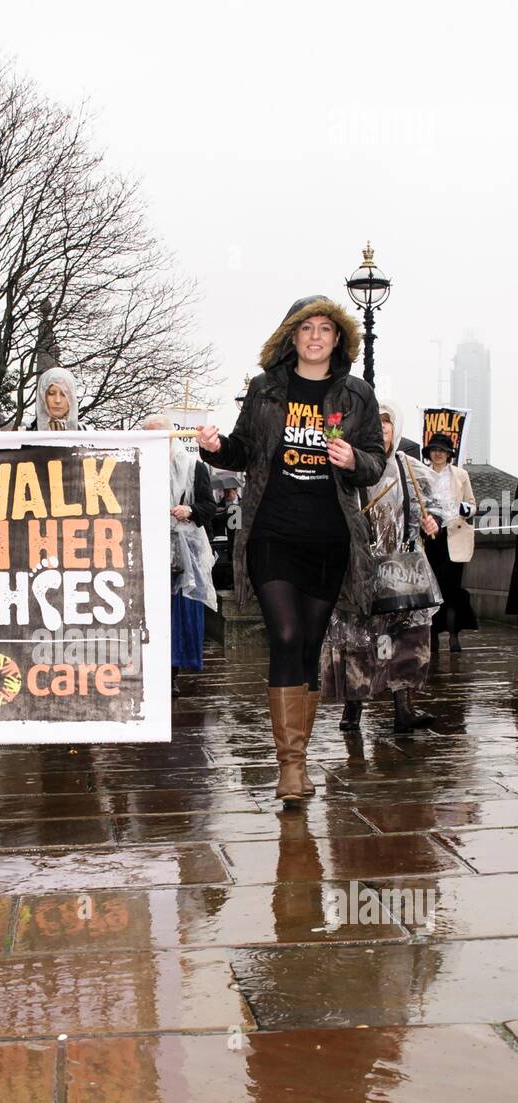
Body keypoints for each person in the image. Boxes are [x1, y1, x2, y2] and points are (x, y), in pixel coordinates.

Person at [197, 295, 386, 801]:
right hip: (272, 531)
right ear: (292, 337)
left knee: (308, 643)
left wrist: (353, 460)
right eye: (307, 328)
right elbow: (243, 451)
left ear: (338, 339)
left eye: (326, 328)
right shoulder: (265, 390)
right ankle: (290, 767)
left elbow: (376, 461)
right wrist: (214, 447)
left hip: (328, 538)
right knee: (284, 634)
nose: (317, 336)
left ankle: (299, 760)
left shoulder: (357, 395)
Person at [321, 402, 442, 734]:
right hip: (361, 568)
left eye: (388, 424)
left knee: (405, 638)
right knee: (358, 637)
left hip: (402, 568)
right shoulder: (350, 466)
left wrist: (432, 521)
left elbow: (429, 507)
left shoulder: (408, 467)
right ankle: (353, 708)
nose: (383, 429)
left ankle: (404, 709)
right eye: (377, 424)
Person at [143, 414, 217, 695]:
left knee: (179, 611)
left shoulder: (194, 467)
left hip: (185, 553)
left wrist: (190, 511)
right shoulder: (140, 466)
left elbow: (209, 507)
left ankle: (172, 671)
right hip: (150, 547)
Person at [422, 431, 477, 652]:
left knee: (452, 590)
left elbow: (472, 503)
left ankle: (454, 635)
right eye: (434, 450)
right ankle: (433, 636)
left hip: (455, 538)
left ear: (449, 454)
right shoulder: (423, 475)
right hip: (431, 538)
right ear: (429, 453)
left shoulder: (461, 475)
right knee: (433, 590)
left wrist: (466, 509)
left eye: (442, 450)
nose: (438, 454)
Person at [30, 366, 87, 431]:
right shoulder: (25, 435)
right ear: (43, 397)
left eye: (64, 394)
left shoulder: (86, 435)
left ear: (71, 398)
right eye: (51, 393)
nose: (57, 400)